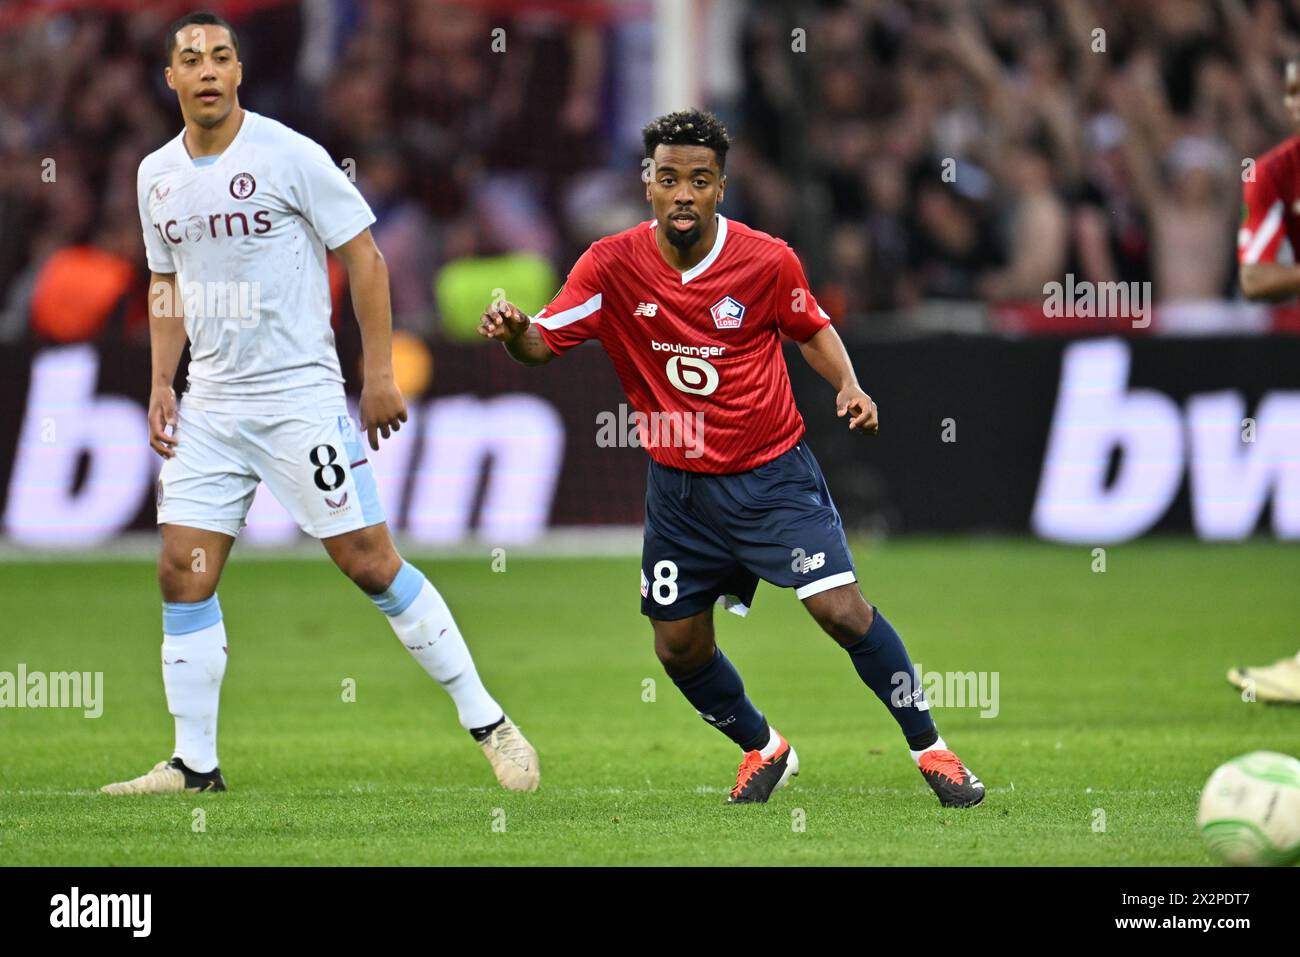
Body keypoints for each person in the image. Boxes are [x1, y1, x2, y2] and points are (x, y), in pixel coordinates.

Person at [479, 109, 984, 806]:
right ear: (648, 185)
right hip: (681, 493)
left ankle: (934, 750)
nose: (683, 193)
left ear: (721, 187)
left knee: (840, 610)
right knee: (677, 648)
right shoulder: (610, 266)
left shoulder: (766, 260)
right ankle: (763, 746)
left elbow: (810, 327)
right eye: (669, 178)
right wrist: (513, 331)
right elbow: (543, 340)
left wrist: (850, 385)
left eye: (700, 179)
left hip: (772, 474)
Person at [102, 11, 537, 795]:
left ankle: (489, 720)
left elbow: (364, 257)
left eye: (221, 57)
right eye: (190, 59)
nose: (206, 70)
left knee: (369, 562)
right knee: (181, 570)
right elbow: (166, 282)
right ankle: (194, 765)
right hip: (211, 405)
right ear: (169, 78)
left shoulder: (288, 154)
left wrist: (376, 375)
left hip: (299, 397)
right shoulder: (154, 175)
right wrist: (164, 381)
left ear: (238, 73)